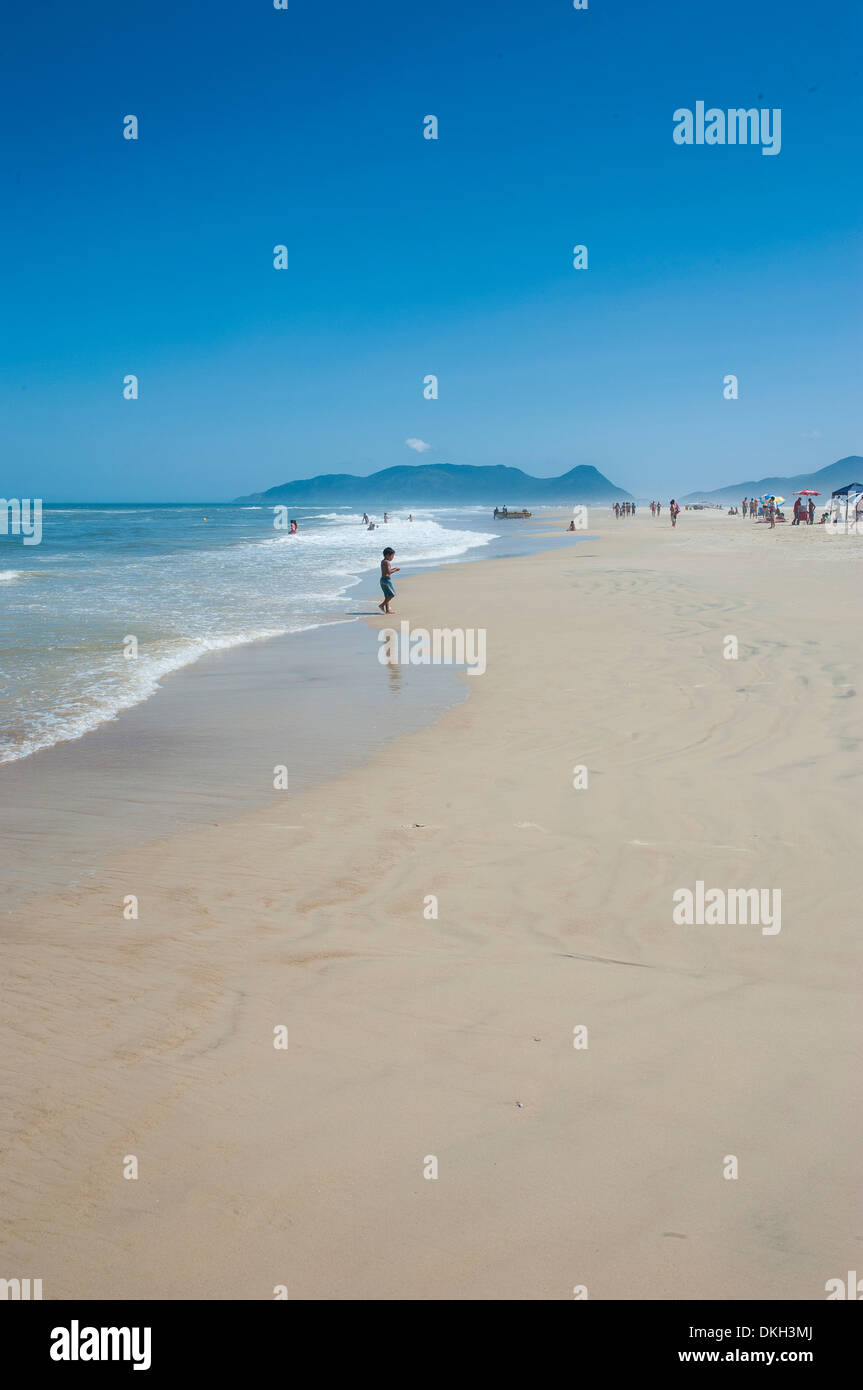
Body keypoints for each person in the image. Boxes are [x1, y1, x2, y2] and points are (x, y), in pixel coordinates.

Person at [379, 547, 399, 613]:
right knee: (392, 594)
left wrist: (393, 569)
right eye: (392, 556)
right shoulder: (387, 562)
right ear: (387, 555)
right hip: (386, 580)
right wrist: (395, 570)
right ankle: (382, 605)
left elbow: (387, 570)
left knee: (387, 595)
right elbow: (388, 572)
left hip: (382, 580)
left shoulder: (383, 561)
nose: (393, 558)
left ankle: (387, 610)